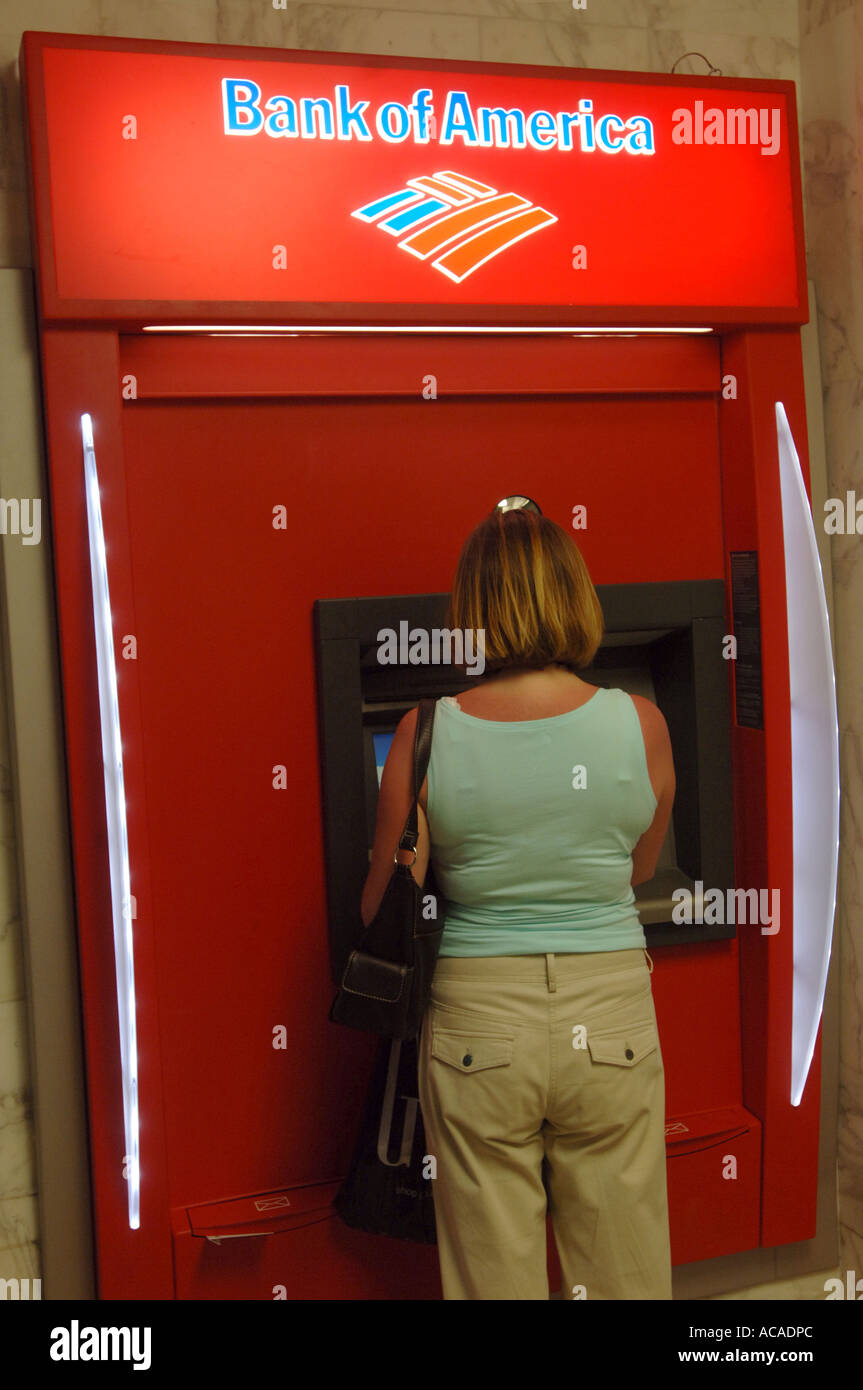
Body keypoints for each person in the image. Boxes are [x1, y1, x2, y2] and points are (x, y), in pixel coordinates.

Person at [360, 498, 675, 1301]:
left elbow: (380, 907)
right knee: (626, 1268)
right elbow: (636, 870)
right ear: (574, 596)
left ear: (474, 610)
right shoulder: (640, 723)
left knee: (492, 1275)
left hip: (478, 1024)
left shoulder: (425, 731)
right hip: (610, 1018)